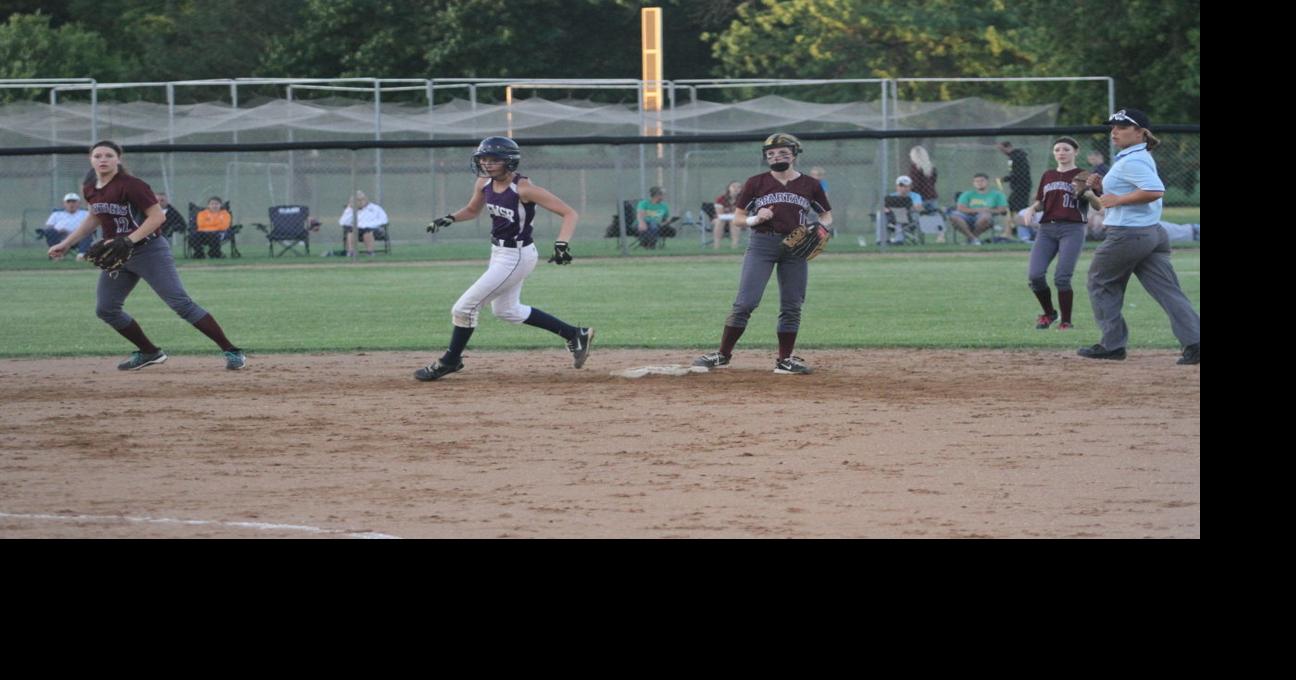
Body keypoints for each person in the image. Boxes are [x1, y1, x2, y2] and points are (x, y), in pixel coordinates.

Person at [46, 140, 246, 371]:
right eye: (98, 156)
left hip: (148, 251)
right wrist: (66, 242)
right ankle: (150, 352)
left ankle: (231, 351)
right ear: (90, 159)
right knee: (106, 308)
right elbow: (94, 217)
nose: (103, 160)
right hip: (117, 255)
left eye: (108, 155)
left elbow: (157, 217)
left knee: (180, 304)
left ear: (118, 159)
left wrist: (129, 240)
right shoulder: (90, 186)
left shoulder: (132, 185)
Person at [415, 136, 594, 381]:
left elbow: (569, 213)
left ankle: (450, 360)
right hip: (498, 253)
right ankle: (575, 334)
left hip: (517, 256)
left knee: (464, 308)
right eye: (484, 159)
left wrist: (561, 244)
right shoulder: (484, 183)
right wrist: (449, 218)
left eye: (494, 160)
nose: (487, 164)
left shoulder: (524, 188)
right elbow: (471, 210)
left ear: (509, 162)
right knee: (507, 310)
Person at [692, 132, 833, 375]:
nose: (776, 156)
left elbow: (826, 215)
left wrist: (821, 231)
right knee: (746, 302)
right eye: (771, 153)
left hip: (795, 246)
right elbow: (737, 219)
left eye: (782, 152)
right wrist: (756, 217)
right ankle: (723, 355)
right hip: (761, 244)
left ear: (794, 154)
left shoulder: (810, 184)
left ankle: (785, 360)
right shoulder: (756, 182)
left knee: (792, 305)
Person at [1077, 108, 1200, 365]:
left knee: (1100, 282)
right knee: (1168, 290)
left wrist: (1117, 198)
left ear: (1140, 131)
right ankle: (1195, 343)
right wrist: (1101, 189)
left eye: (1121, 127)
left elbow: (1155, 190)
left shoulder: (1132, 159)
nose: (1114, 131)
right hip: (1152, 233)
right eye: (1112, 127)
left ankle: (1112, 345)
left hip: (1128, 235)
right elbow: (1136, 189)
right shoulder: (1137, 155)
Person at [1020, 137, 1100, 332]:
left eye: (1066, 149)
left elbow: (1098, 205)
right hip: (1046, 229)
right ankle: (1049, 313)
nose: (1061, 153)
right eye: (1057, 150)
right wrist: (1032, 208)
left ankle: (1066, 321)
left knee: (1062, 277)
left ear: (1075, 152)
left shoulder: (1084, 175)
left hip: (1072, 229)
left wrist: (1089, 194)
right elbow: (1041, 202)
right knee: (1035, 275)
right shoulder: (1048, 175)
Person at [948, 173, 1008, 245]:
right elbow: (960, 209)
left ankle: (971, 239)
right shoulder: (967, 194)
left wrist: (989, 211)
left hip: (985, 217)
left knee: (985, 217)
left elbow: (1003, 210)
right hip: (967, 216)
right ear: (973, 183)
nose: (979, 183)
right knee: (954, 216)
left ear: (987, 182)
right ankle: (973, 239)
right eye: (976, 181)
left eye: (982, 181)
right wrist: (978, 210)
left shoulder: (997, 195)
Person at [42, 193, 92, 260]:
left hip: (78, 238)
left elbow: (90, 225)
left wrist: (75, 233)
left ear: (79, 203)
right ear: (64, 203)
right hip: (60, 238)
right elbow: (49, 226)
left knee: (87, 232)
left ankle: (81, 255)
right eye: (68, 202)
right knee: (49, 231)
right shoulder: (56, 214)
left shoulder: (85, 213)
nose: (71, 204)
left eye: (74, 202)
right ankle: (56, 254)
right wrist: (59, 231)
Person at [339, 190, 389, 257]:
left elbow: (384, 220)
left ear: (366, 199)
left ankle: (370, 252)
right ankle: (351, 252)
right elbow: (343, 222)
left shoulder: (375, 208)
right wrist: (351, 210)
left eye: (361, 199)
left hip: (374, 230)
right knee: (351, 231)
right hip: (357, 230)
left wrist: (370, 225)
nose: (359, 202)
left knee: (367, 231)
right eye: (357, 200)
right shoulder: (350, 210)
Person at [884, 175, 923, 245]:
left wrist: (908, 207)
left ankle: (898, 241)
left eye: (906, 186)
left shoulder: (915, 196)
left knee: (900, 213)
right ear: (897, 186)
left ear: (910, 187)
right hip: (891, 217)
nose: (903, 188)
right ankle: (882, 240)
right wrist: (887, 210)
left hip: (909, 218)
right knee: (880, 215)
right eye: (901, 185)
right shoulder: (891, 196)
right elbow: (885, 208)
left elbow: (919, 208)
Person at [998, 141, 1033, 217]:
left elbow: (1020, 172)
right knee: (1015, 206)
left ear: (1008, 147)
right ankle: (1015, 223)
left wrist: (1005, 179)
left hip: (1022, 185)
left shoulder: (1017, 156)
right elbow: (1013, 171)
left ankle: (1020, 221)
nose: (1002, 152)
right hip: (1017, 185)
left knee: (1013, 205)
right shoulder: (1012, 157)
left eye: (1002, 149)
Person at [1084, 150, 1110, 240]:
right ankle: (1093, 234)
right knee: (1092, 217)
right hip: (1099, 198)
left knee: (1094, 217)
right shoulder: (1103, 168)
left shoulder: (1101, 169)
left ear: (1099, 157)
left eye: (1092, 158)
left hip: (1101, 198)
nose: (1091, 161)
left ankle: (1096, 234)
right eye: (1090, 159)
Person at [712, 180, 743, 249]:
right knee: (720, 221)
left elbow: (742, 213)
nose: (736, 189)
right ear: (729, 188)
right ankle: (716, 246)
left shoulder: (742, 199)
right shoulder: (721, 199)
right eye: (733, 186)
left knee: (734, 221)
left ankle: (734, 246)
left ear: (741, 189)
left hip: (737, 220)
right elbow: (720, 214)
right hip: (721, 220)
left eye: (739, 187)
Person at [907, 145, 939, 209]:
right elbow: (933, 181)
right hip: (932, 196)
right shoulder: (931, 167)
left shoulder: (915, 168)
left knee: (914, 217)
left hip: (919, 199)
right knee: (932, 217)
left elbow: (915, 185)